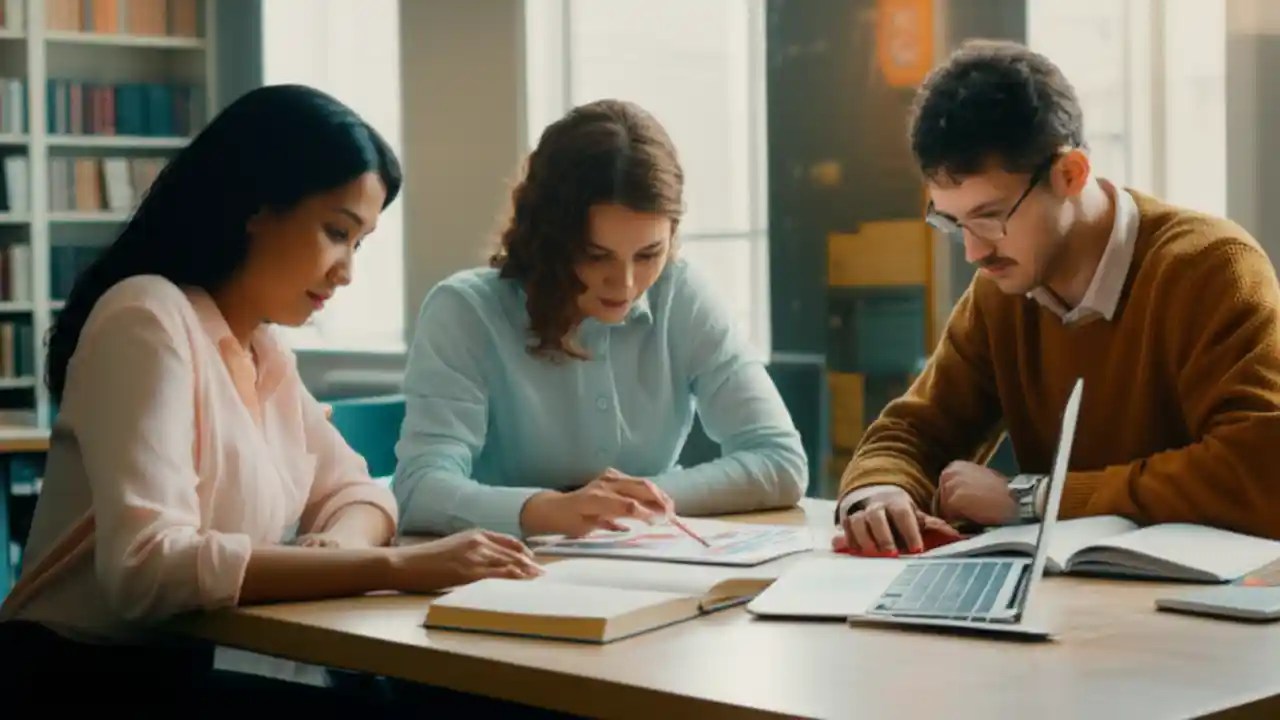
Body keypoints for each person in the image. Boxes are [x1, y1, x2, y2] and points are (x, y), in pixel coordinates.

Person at [0, 84, 540, 710]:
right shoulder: (147, 316)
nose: (347, 270)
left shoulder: (262, 350)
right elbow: (146, 568)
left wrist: (336, 548)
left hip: (198, 655)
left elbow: (360, 493)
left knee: (432, 695)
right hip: (80, 674)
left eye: (359, 243)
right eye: (337, 232)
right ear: (256, 204)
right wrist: (394, 568)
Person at [837, 40, 1280, 555]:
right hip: (1074, 603)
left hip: (1212, 611)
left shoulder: (1211, 266)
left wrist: (1037, 499)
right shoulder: (1002, 291)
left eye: (990, 216)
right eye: (953, 223)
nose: (975, 251)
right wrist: (878, 491)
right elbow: (914, 429)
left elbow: (1261, 468)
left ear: (1071, 174)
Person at [394, 99, 807, 539]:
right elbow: (420, 490)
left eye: (649, 254)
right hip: (501, 573)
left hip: (651, 563)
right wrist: (548, 510)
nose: (625, 284)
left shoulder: (680, 293)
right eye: (596, 255)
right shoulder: (465, 312)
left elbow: (779, 460)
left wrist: (640, 498)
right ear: (547, 238)